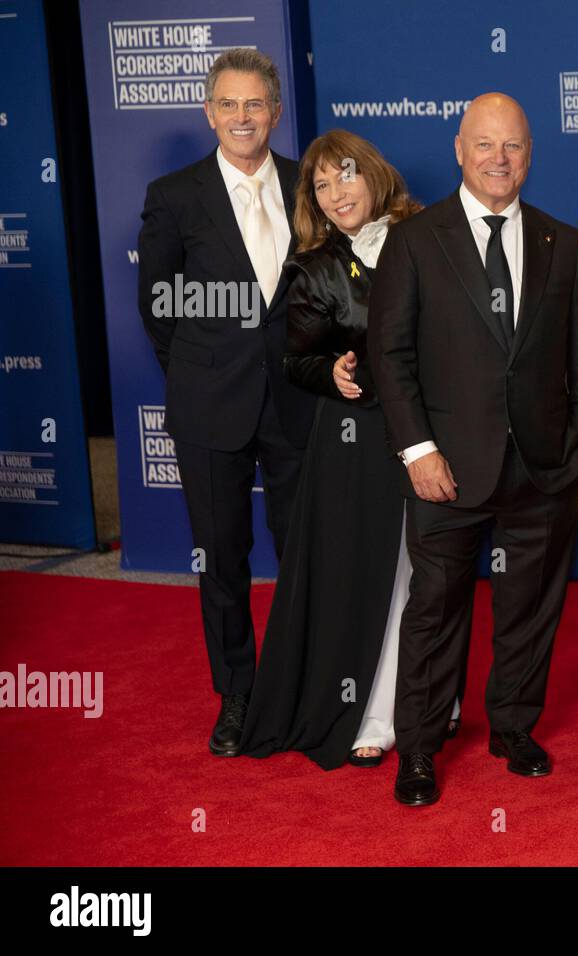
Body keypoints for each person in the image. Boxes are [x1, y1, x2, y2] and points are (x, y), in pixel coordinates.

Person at [369, 93, 578, 807]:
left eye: (513, 146)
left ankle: (513, 725)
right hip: (444, 467)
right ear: (459, 149)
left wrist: (573, 452)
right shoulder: (414, 240)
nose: (499, 159)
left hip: (542, 469)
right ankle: (418, 747)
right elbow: (391, 354)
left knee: (530, 607)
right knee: (434, 610)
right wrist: (418, 450)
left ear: (530, 153)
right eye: (485, 145)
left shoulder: (562, 243)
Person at [239, 129, 447, 770]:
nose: (334, 193)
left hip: (435, 430)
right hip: (356, 444)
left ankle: (434, 698)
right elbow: (295, 359)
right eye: (320, 185)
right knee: (382, 574)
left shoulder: (431, 238)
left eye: (345, 175)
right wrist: (329, 371)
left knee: (432, 574)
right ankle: (379, 713)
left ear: (374, 173)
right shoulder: (315, 266)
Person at [137, 49, 316, 757]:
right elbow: (160, 305)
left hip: (299, 402)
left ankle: (305, 683)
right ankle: (237, 694)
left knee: (305, 549)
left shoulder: (309, 184)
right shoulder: (174, 194)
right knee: (223, 557)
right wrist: (198, 375)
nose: (243, 117)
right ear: (210, 113)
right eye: (229, 105)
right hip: (210, 406)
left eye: (255, 104)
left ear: (274, 111)